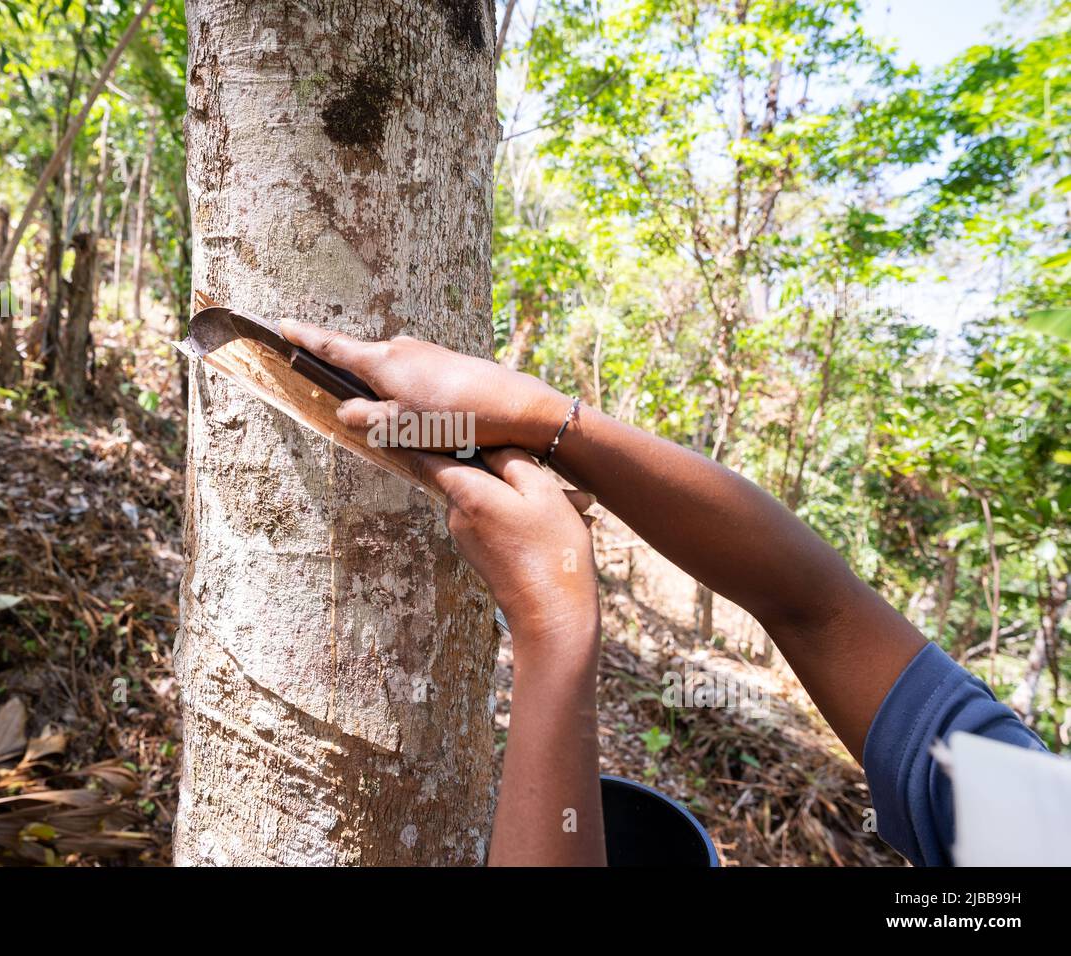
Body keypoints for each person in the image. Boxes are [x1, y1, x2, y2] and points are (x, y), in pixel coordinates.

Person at [278, 319, 1050, 868]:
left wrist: (553, 624)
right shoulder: (1039, 822)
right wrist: (549, 418)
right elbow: (816, 603)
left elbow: (816, 606)